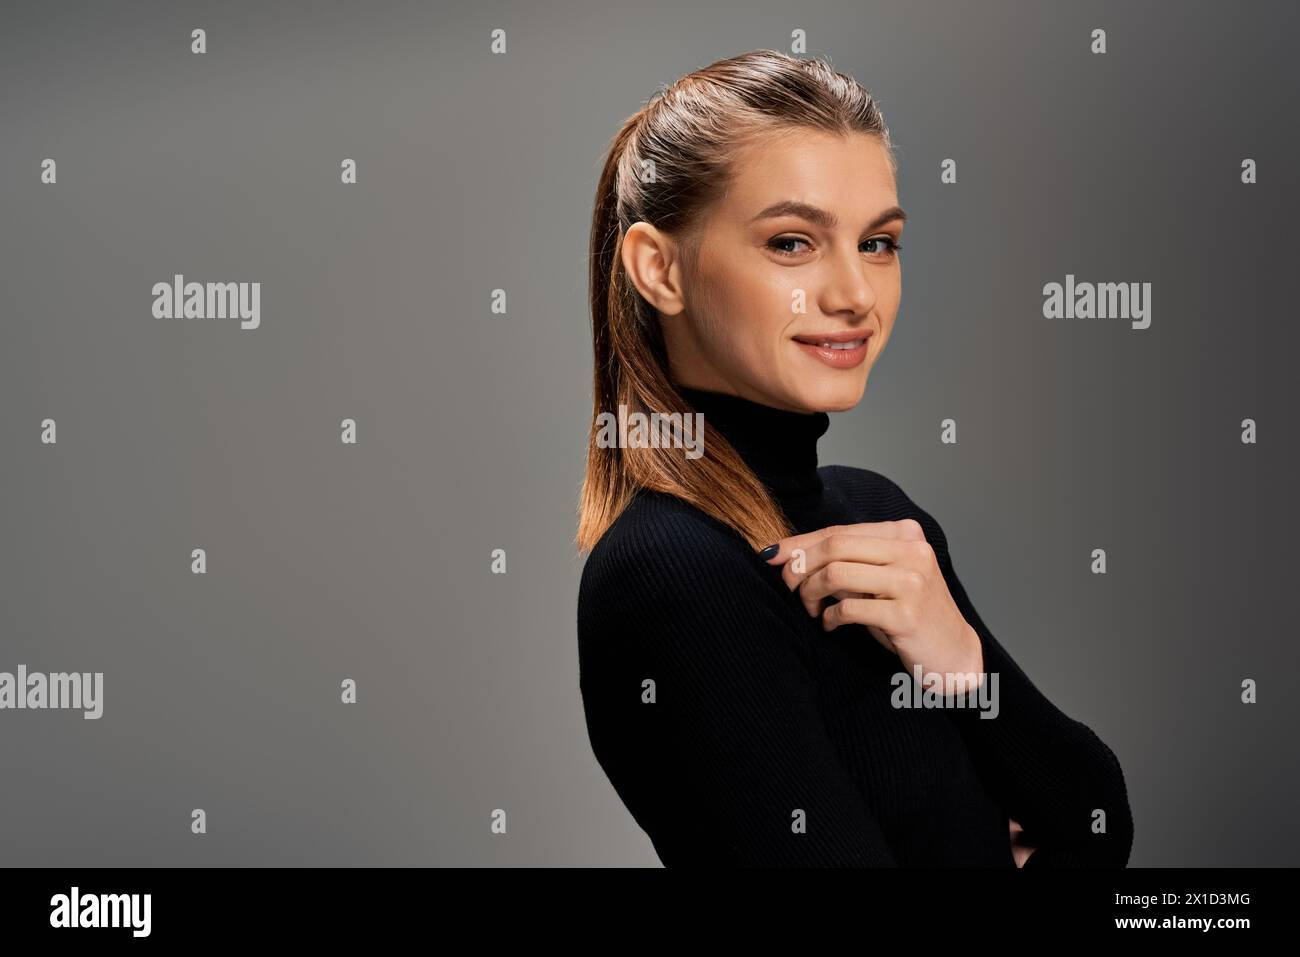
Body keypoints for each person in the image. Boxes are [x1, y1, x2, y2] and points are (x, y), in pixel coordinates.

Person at [575, 49, 1133, 867]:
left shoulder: (882, 518)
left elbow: (1098, 824)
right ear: (659, 269)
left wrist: (966, 667)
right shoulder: (669, 573)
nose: (855, 295)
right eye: (794, 242)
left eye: (877, 243)